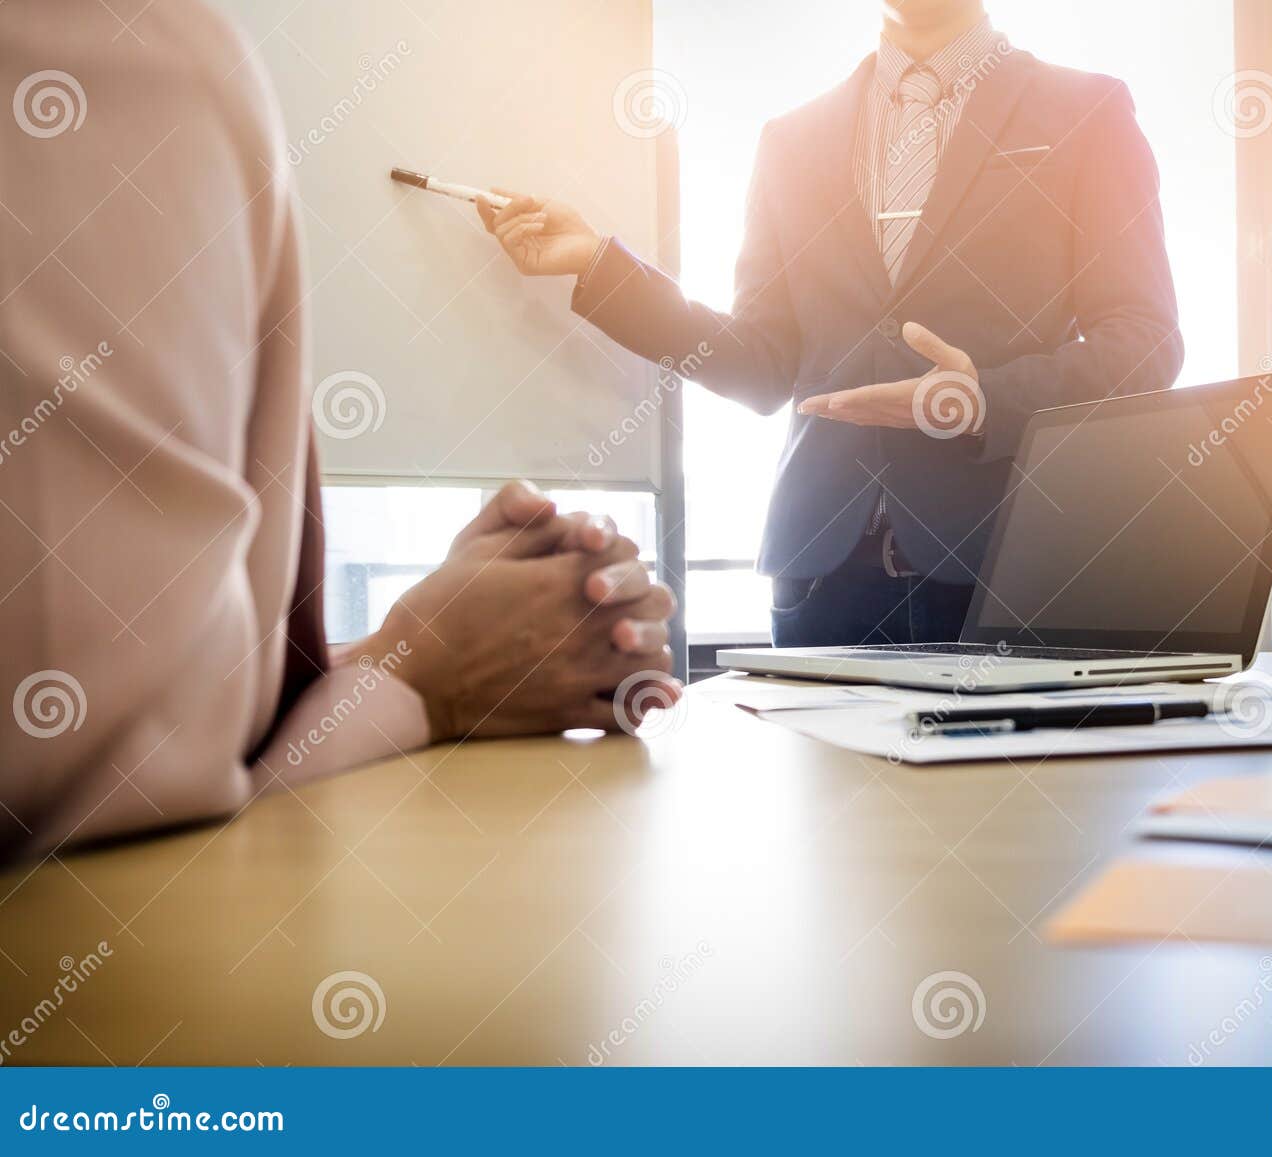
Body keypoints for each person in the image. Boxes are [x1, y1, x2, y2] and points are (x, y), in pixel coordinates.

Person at [0, 0, 679, 860]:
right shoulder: (110, 55)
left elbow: (139, 710)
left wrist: (423, 634)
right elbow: (110, 822)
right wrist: (423, 676)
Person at [479, 0, 1183, 648]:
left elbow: (1145, 338)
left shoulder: (1086, 110)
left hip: (1004, 563)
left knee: (1011, 790)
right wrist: (600, 268)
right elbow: (759, 363)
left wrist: (979, 399)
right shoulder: (792, 139)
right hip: (821, 575)